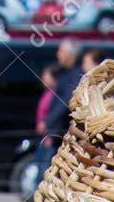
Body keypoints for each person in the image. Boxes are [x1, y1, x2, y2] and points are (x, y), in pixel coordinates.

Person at [34, 40, 83, 189]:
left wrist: (48, 123)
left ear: (71, 54)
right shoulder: (65, 74)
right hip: (53, 132)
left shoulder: (75, 76)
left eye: (61, 51)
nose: (58, 54)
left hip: (58, 135)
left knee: (48, 176)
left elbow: (65, 103)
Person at [33, 62, 59, 190]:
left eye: (46, 75)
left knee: (44, 169)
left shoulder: (53, 95)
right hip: (43, 136)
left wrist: (49, 134)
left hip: (47, 137)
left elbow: (52, 115)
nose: (43, 78)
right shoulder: (47, 93)